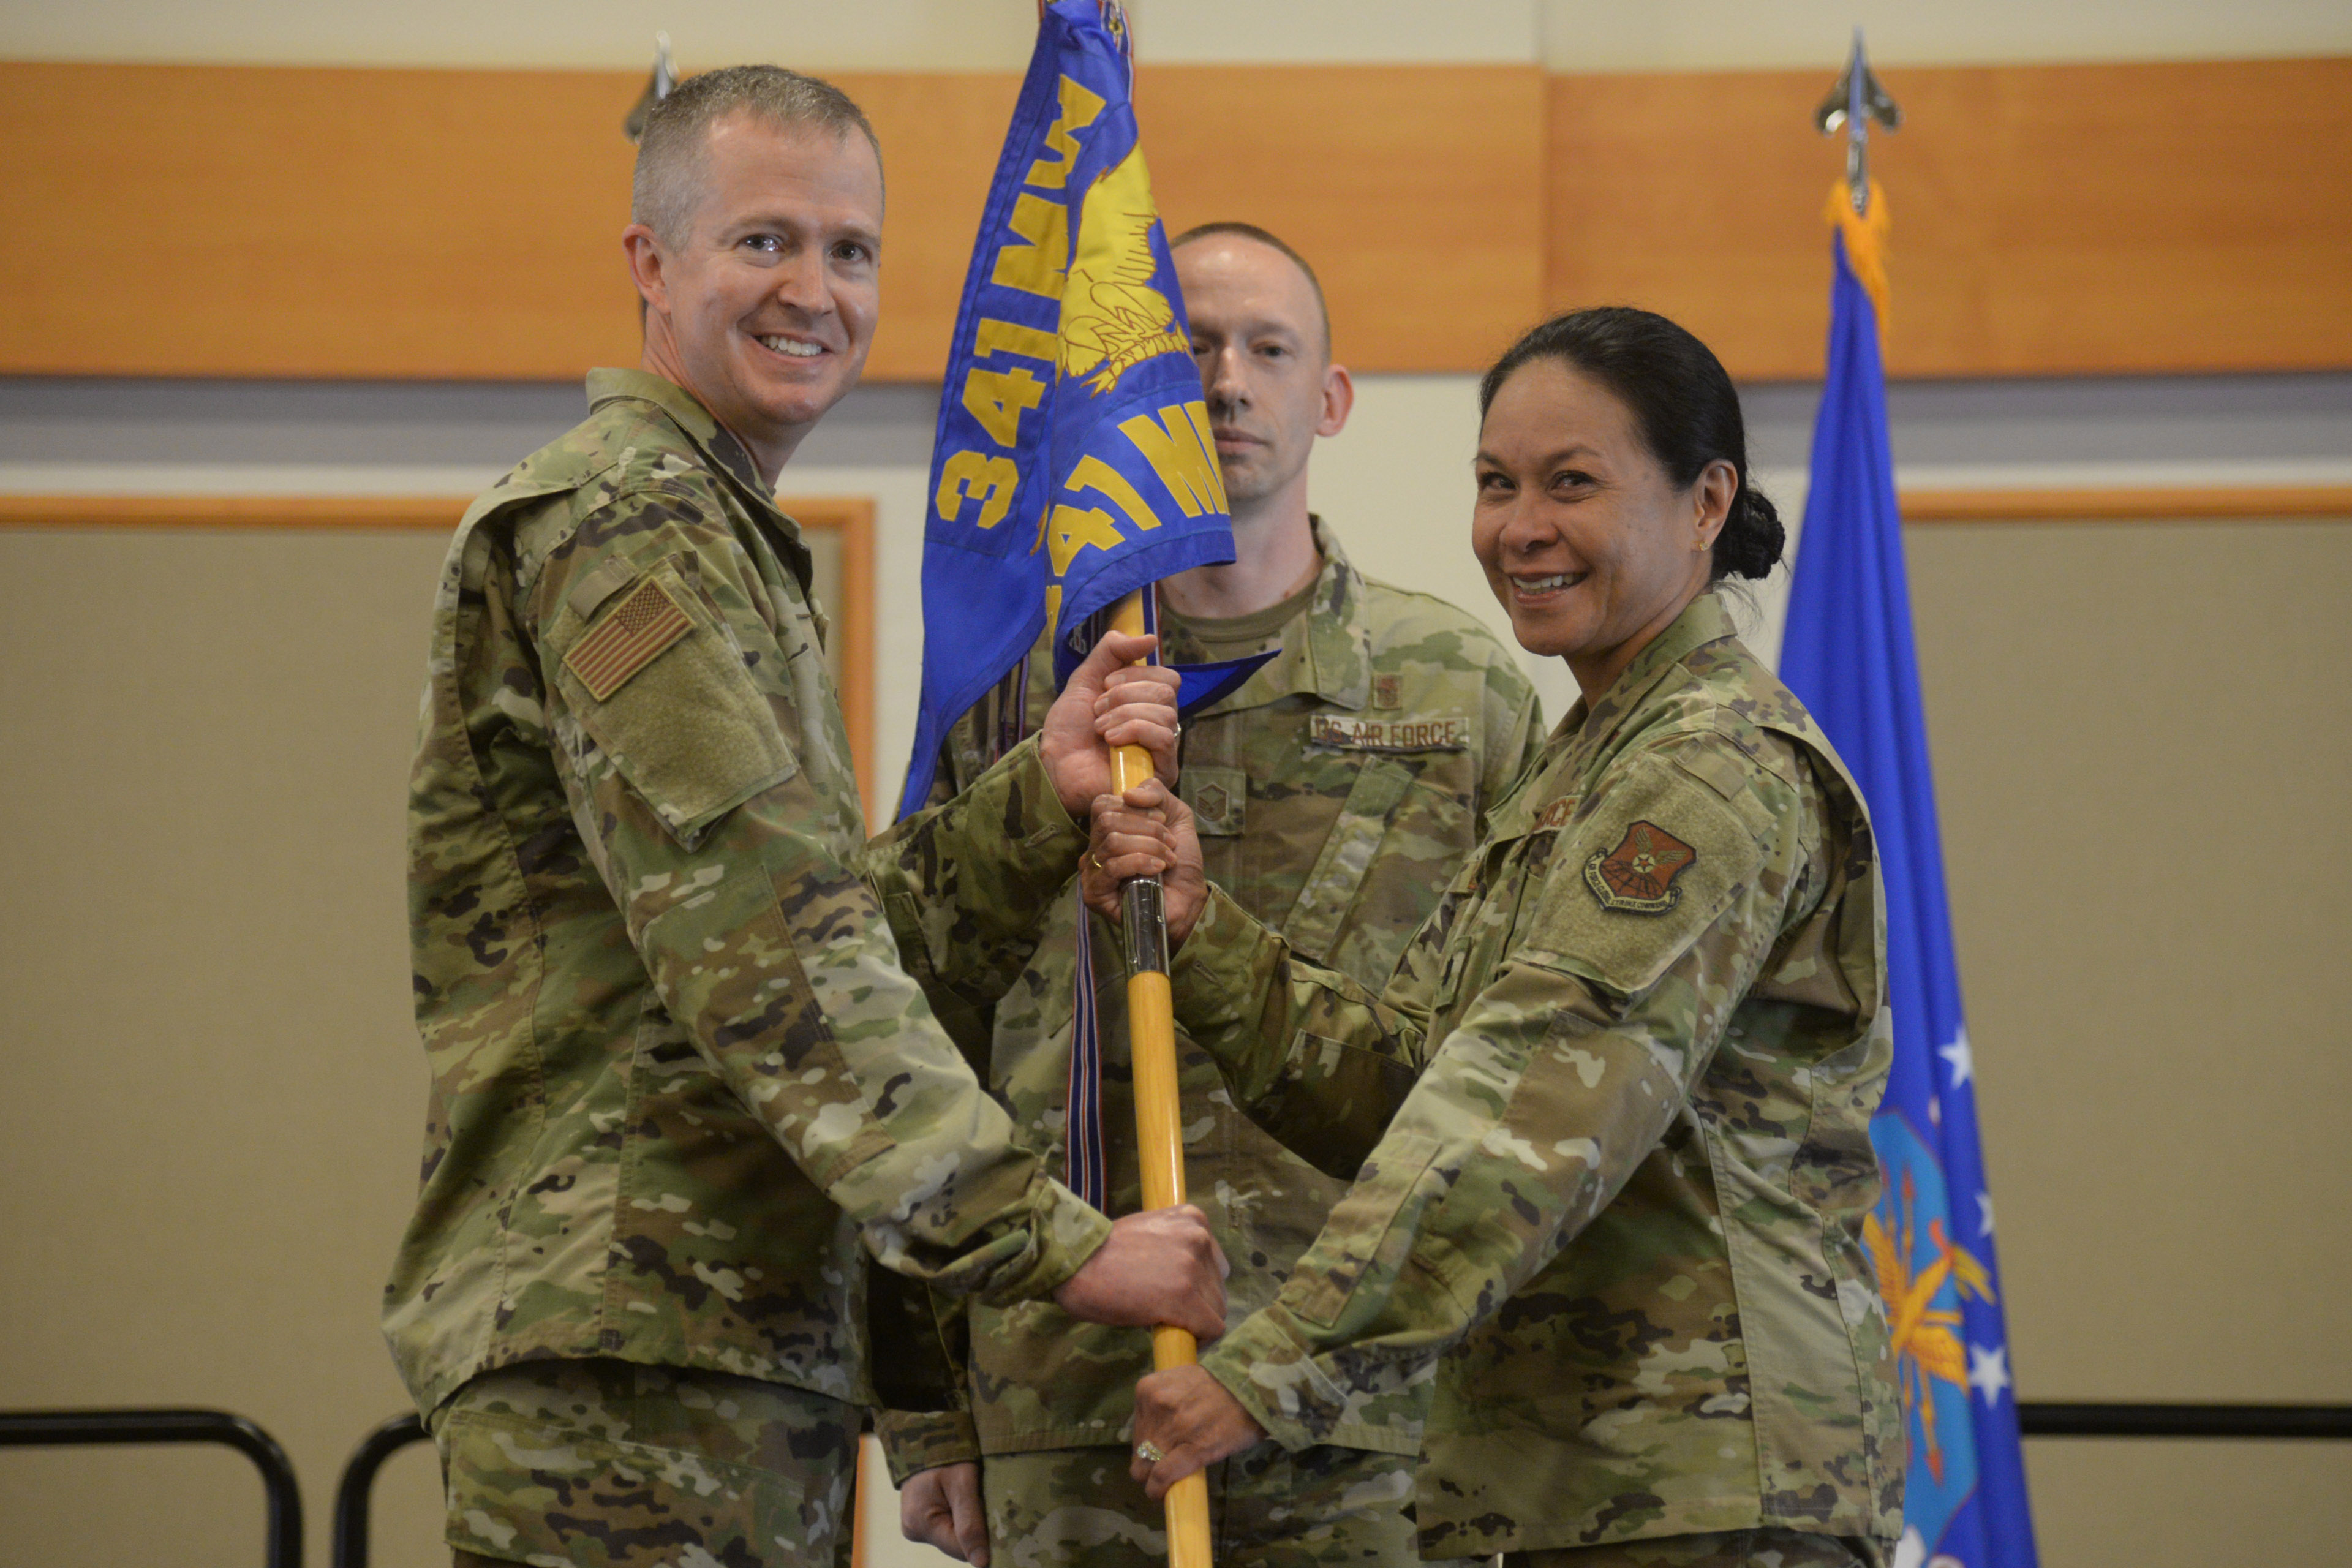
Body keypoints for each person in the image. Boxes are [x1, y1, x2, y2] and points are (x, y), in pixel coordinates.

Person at [384, 66, 1227, 1568]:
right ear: (652, 262)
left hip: (724, 1329)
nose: (815, 292)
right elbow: (775, 960)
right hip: (632, 1347)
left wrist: (1038, 799)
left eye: (850, 251)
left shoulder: (718, 533)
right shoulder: (626, 525)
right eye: (763, 241)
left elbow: (838, 922)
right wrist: (1057, 1244)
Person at [1085, 307, 1905, 1568]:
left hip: (1708, 1488)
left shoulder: (1710, 769)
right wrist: (1201, 932)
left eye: (1572, 482)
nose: (1521, 527)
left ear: (1705, 500)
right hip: (1569, 1482)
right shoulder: (1582, 764)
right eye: (1494, 483)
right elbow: (1406, 1081)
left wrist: (1275, 1365)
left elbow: (1528, 1100)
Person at [887, 224, 1544, 1568]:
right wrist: (918, 1402)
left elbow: (1518, 1071)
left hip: (1365, 1402)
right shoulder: (1027, 690)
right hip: (1067, 1385)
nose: (1226, 381)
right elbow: (905, 1031)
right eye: (1188, 347)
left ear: (1333, 397)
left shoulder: (1458, 689)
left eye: (1268, 348)